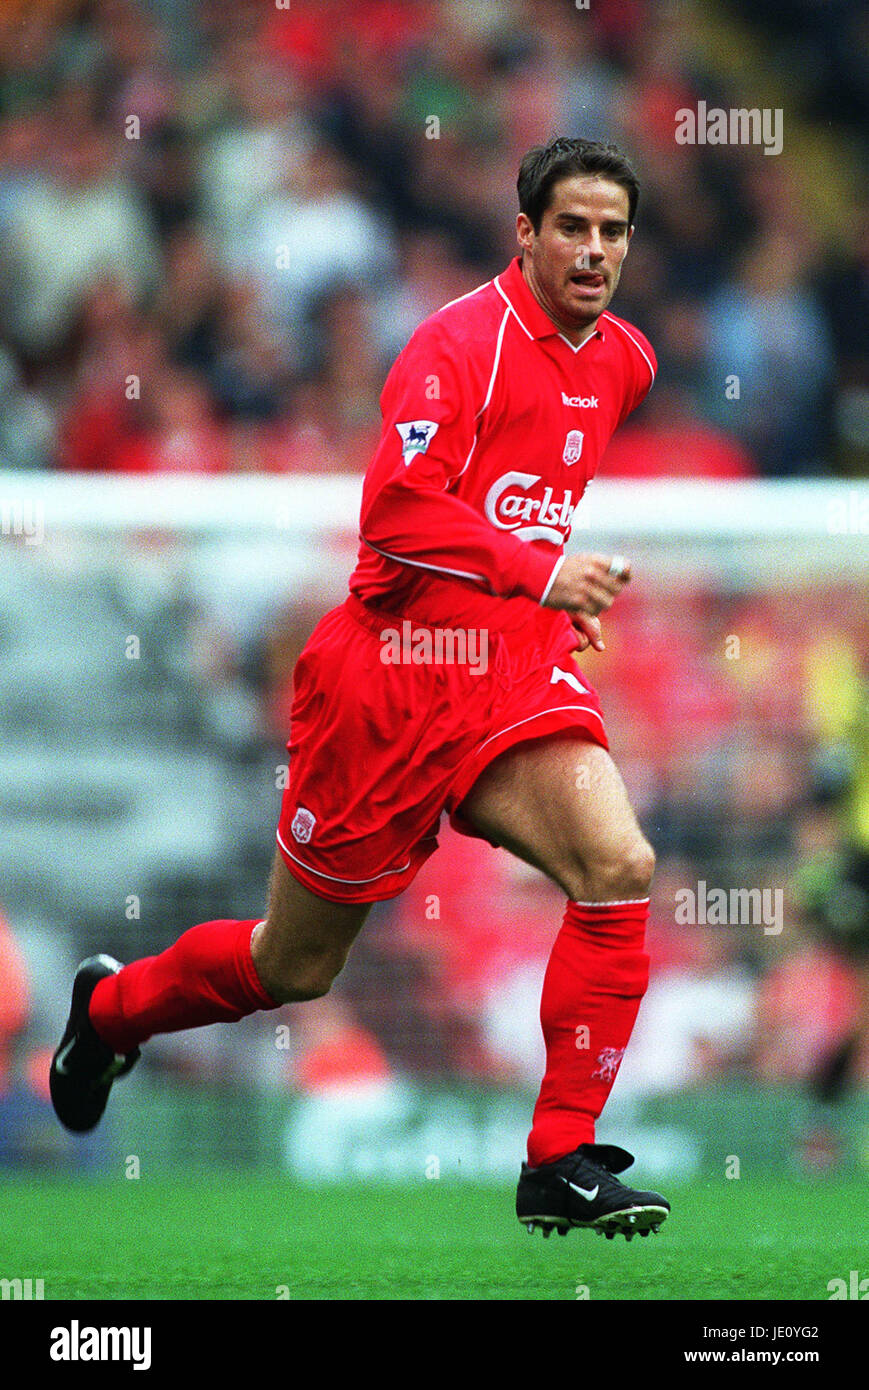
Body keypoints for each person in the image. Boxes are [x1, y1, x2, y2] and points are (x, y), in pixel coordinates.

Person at [51, 137, 669, 1240]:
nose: (591, 250)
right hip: (383, 683)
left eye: (610, 231)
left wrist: (542, 599)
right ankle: (107, 1011)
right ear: (523, 233)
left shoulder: (625, 360)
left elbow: (520, 505)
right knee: (293, 965)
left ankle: (558, 1159)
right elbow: (393, 514)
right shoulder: (454, 346)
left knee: (616, 863)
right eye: (569, 226)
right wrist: (538, 570)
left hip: (506, 674)